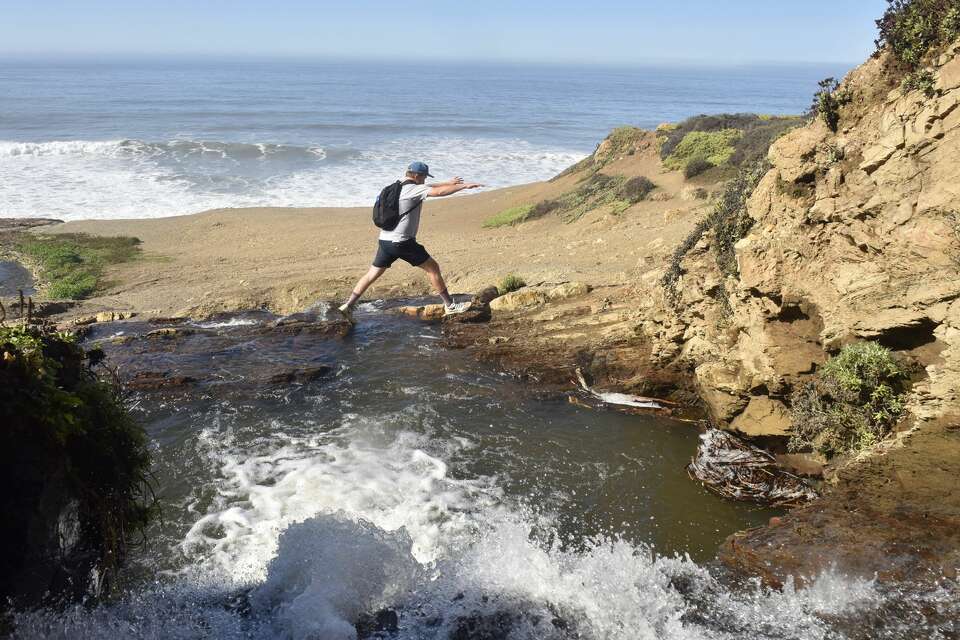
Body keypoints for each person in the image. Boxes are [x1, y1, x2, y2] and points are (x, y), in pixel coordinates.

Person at [338, 161, 482, 321]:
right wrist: (464, 186)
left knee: (372, 274)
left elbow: (431, 186)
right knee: (433, 268)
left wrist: (449, 182)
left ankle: (348, 305)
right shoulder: (414, 189)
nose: (425, 180)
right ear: (416, 175)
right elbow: (439, 192)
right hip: (402, 242)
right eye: (424, 177)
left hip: (385, 240)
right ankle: (450, 306)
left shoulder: (396, 186)